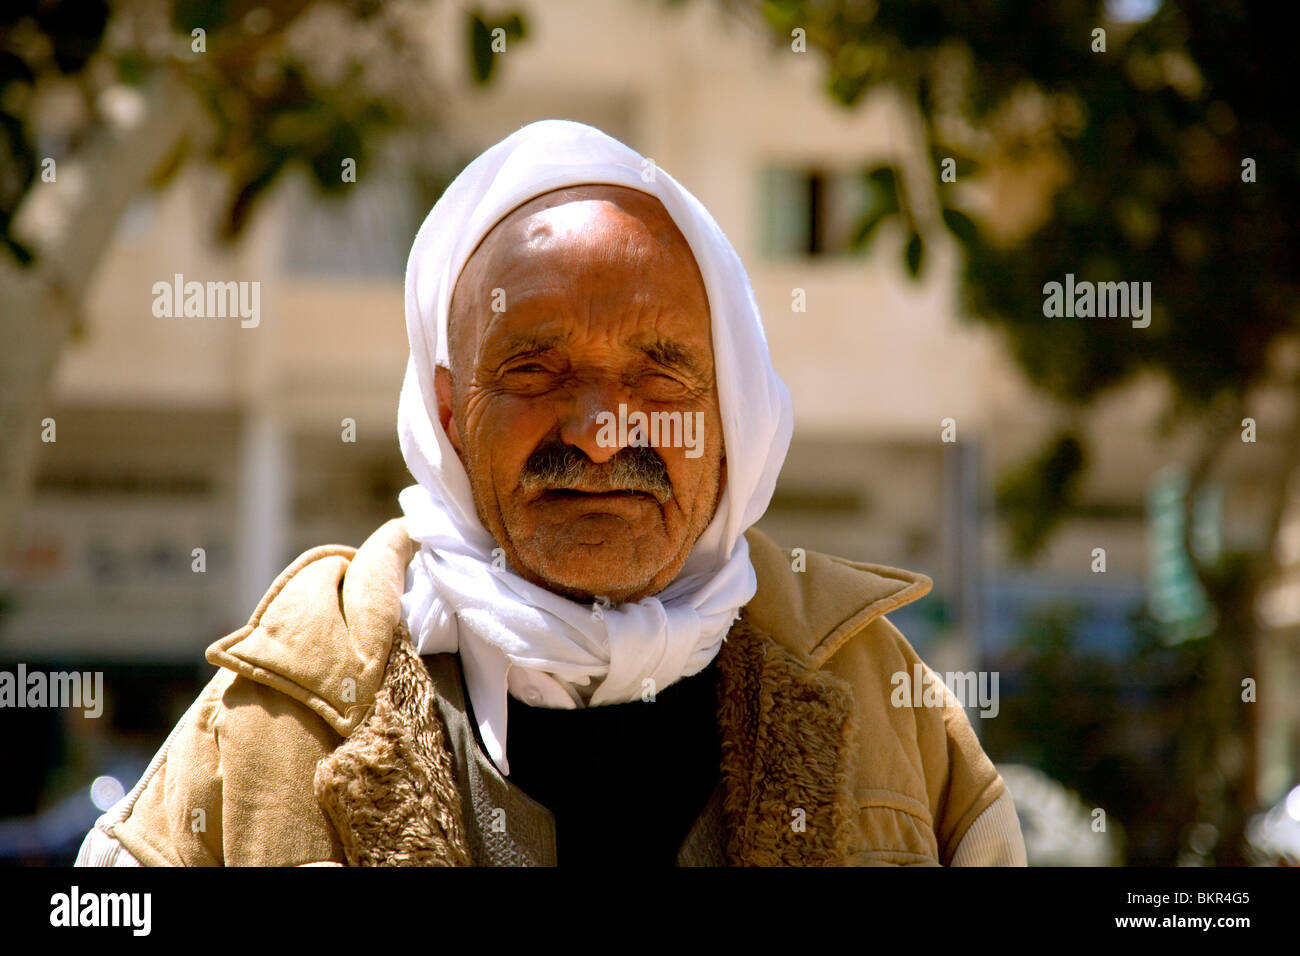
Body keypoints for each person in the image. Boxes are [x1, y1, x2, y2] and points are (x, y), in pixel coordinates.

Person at [76, 119, 1026, 867]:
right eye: (534, 369)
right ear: (450, 413)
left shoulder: (881, 703)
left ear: (733, 413)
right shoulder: (267, 736)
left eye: (661, 372)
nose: (602, 428)